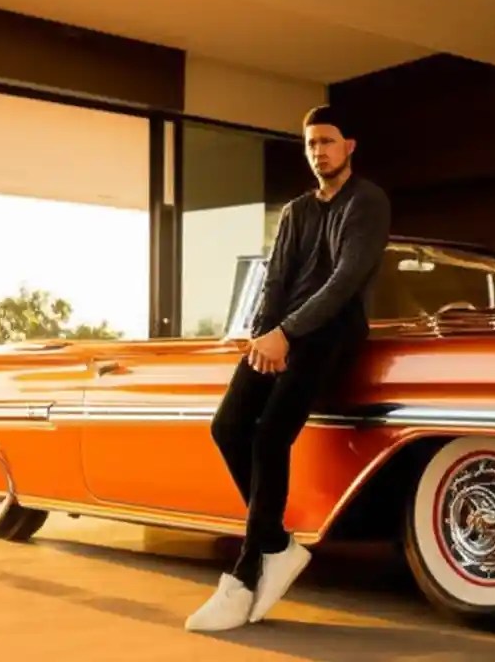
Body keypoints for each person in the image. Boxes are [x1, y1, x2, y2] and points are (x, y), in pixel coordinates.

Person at [185, 104, 391, 632]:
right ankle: (275, 542)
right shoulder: (297, 210)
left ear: (350, 145)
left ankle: (245, 576)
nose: (317, 151)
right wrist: (263, 334)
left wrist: (287, 333)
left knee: (271, 435)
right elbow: (275, 281)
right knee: (228, 426)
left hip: (332, 334)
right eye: (310, 144)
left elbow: (344, 282)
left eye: (327, 141)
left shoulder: (367, 201)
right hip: (281, 337)